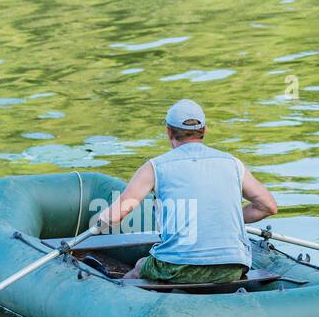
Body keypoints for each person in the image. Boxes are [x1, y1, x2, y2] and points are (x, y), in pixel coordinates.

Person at [93, 99, 278, 283]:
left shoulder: (155, 167)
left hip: (178, 267)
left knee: (141, 266)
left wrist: (101, 221)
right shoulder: (233, 164)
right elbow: (268, 207)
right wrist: (222, 217)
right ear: (204, 131)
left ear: (168, 131)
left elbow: (119, 213)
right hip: (233, 267)